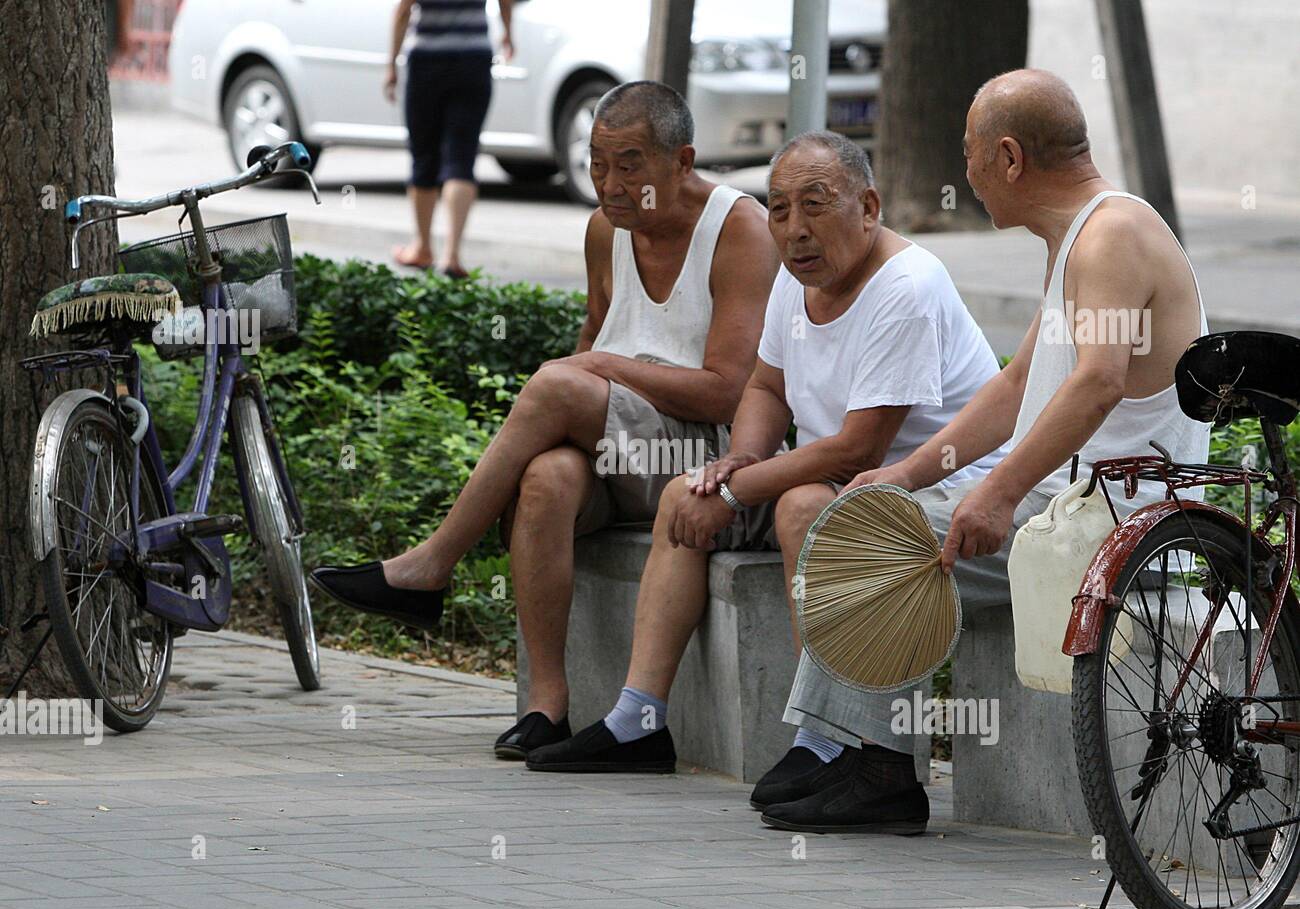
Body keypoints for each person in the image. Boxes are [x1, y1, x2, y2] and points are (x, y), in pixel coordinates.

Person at [757, 69, 1211, 835]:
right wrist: (903, 473)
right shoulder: (1077, 237)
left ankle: (875, 768)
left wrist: (997, 493)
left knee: (878, 553)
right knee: (872, 515)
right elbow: (1018, 387)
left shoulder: (1113, 236)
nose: (962, 174)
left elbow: (1096, 384)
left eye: (968, 155)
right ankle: (860, 754)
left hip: (1115, 520)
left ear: (1007, 157)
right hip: (1069, 506)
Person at [312, 82, 778, 761]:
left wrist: (600, 370)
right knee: (547, 479)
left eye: (628, 163)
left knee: (563, 381)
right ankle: (547, 707)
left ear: (682, 161)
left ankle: (432, 565)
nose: (609, 184)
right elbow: (594, 345)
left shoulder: (739, 228)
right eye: (596, 162)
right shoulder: (605, 231)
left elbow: (729, 392)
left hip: (706, 461)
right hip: (622, 454)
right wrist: (595, 370)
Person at [524, 131, 1006, 776]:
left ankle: (825, 739)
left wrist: (739, 491)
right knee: (684, 493)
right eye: (779, 209)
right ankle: (637, 722)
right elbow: (767, 385)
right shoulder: (796, 277)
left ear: (868, 206)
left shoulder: (906, 284)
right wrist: (738, 463)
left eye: (815, 205)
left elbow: (859, 447)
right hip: (843, 480)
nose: (795, 229)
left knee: (802, 507)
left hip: (920, 492)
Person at [384, 0, 514, 277]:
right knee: (462, 157)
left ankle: (422, 247)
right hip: (474, 61)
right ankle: (452, 255)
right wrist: (508, 33)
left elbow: (403, 10)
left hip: (426, 62)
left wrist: (391, 66)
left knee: (424, 155)